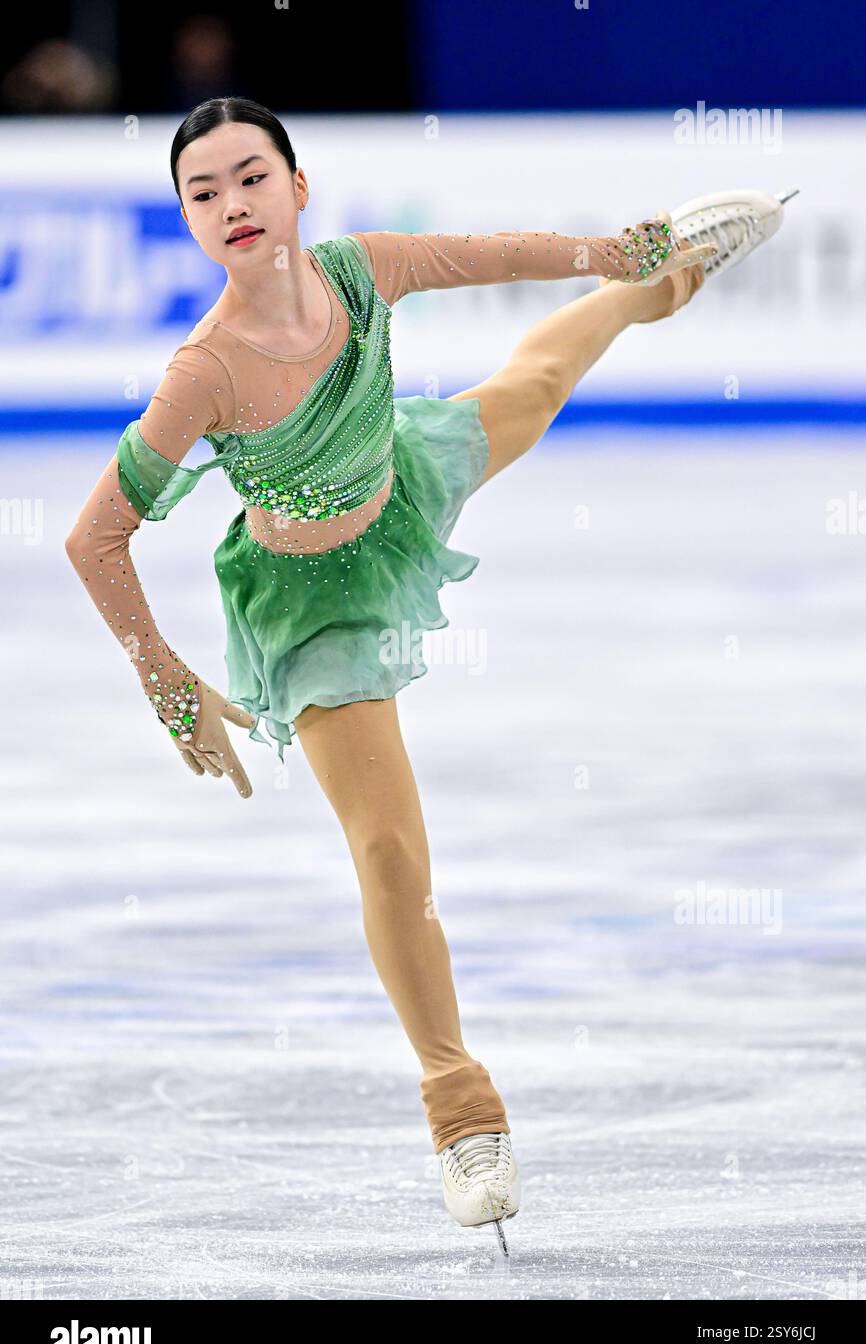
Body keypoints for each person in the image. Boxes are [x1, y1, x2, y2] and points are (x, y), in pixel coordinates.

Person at [65, 96, 718, 1238]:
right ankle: (457, 1104)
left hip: (395, 490)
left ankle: (641, 295)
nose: (233, 205)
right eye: (203, 192)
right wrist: (168, 683)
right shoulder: (202, 373)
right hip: (312, 609)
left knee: (533, 383)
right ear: (184, 220)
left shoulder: (358, 273)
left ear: (298, 188)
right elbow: (95, 535)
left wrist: (606, 254)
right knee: (387, 844)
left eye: (250, 177)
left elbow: (492, 256)